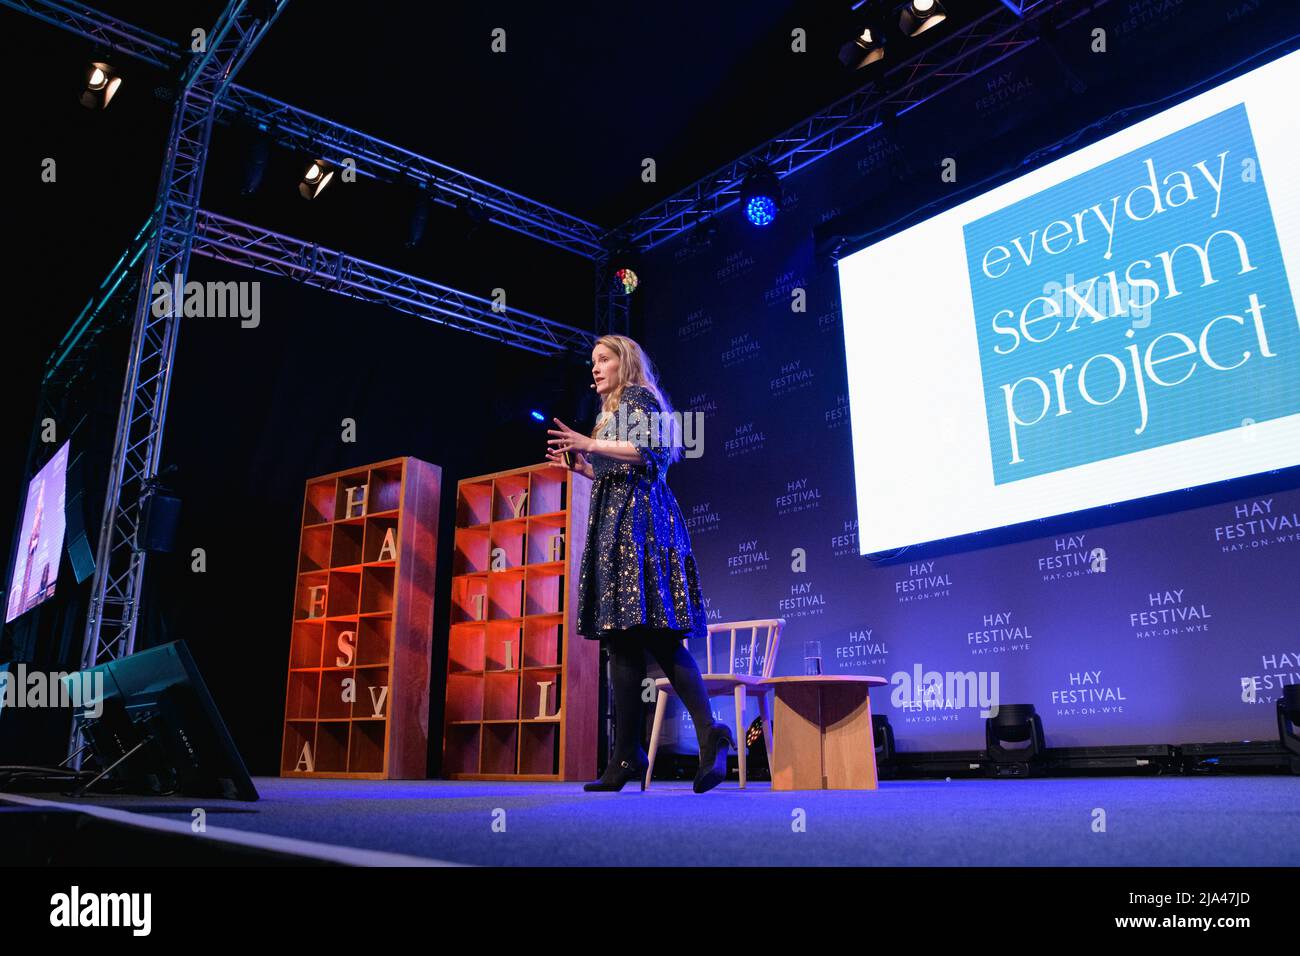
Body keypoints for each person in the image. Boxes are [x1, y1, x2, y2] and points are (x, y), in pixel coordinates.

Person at [546, 334, 734, 793]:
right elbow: (620, 468)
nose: (595, 368)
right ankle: (626, 754)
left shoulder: (637, 396)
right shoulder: (610, 411)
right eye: (593, 361)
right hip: (618, 523)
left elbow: (648, 454)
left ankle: (710, 735)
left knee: (658, 636)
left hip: (641, 527)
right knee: (621, 640)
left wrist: (588, 445)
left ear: (625, 362)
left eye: (604, 359)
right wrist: (583, 467)